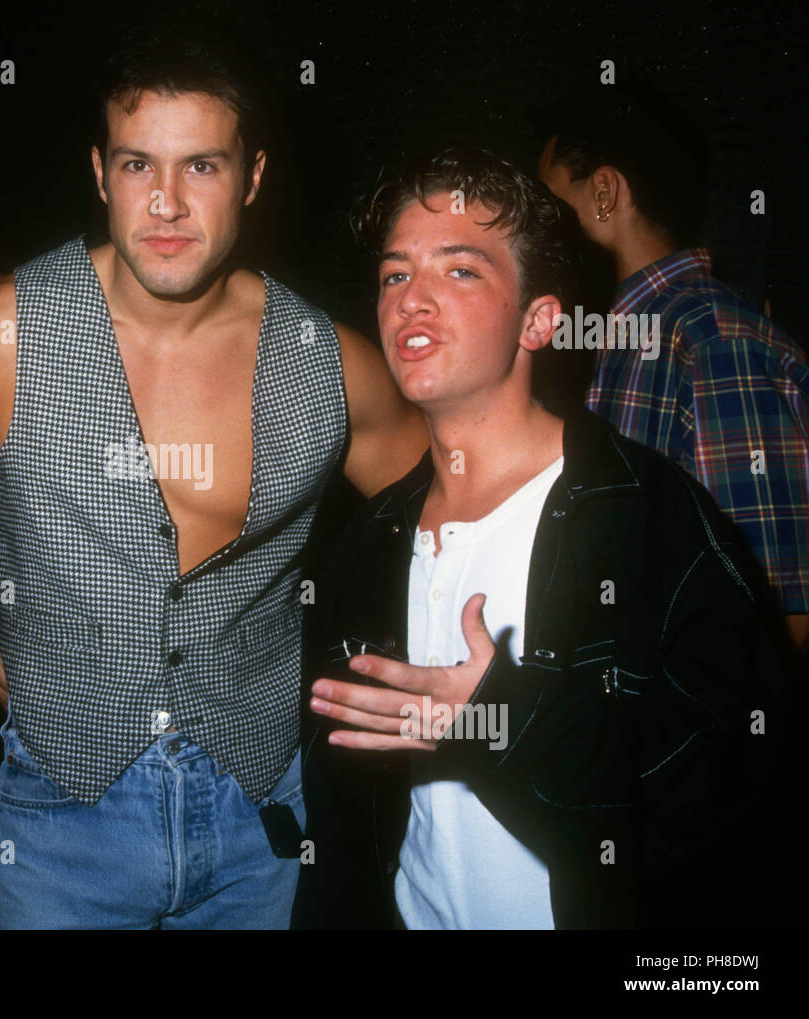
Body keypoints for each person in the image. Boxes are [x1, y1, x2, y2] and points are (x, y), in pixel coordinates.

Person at [0, 24, 428, 928]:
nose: (168, 204)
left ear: (253, 177)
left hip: (259, 816)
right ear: (100, 173)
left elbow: (449, 510)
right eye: (140, 165)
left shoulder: (332, 364)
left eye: (204, 168)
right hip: (60, 815)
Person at [294, 147, 798, 930]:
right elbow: (346, 834)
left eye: (460, 271)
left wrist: (514, 721)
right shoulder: (367, 543)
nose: (412, 300)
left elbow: (729, 805)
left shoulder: (651, 521)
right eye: (396, 274)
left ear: (540, 319)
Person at [536, 87, 809, 656]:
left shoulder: (712, 341)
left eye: (549, 208)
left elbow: (782, 616)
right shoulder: (608, 338)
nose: (535, 235)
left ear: (605, 194)